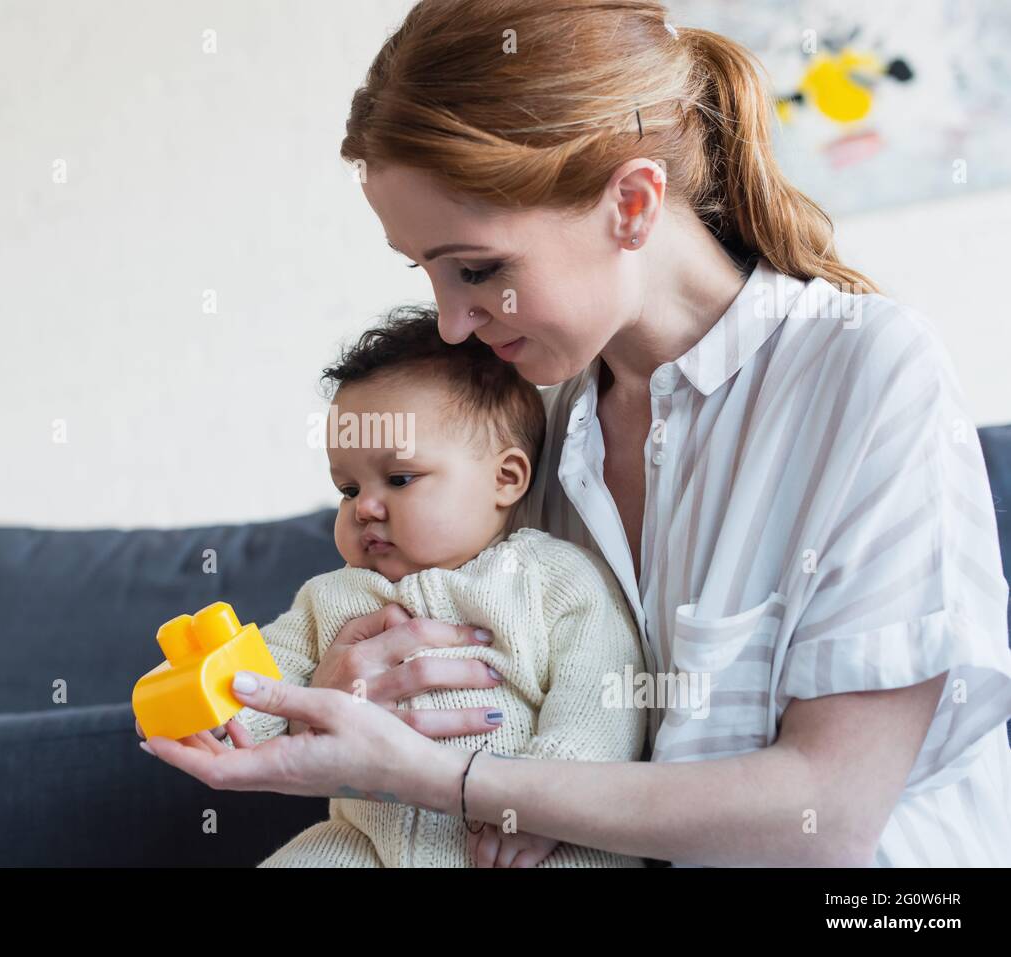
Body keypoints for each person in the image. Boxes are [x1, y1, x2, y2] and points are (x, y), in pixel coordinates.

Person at [141, 0, 1011, 866]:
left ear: (631, 205)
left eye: (479, 269)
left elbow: (825, 813)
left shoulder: (865, 373)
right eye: (429, 274)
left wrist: (456, 781)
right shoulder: (523, 420)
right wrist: (346, 700)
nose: (449, 325)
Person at [239, 305, 646, 867]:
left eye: (400, 478)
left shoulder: (552, 579)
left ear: (505, 479)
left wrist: (541, 799)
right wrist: (216, 712)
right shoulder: (332, 598)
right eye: (348, 488)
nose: (365, 508)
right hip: (370, 842)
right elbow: (265, 674)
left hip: (520, 836)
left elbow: (600, 695)